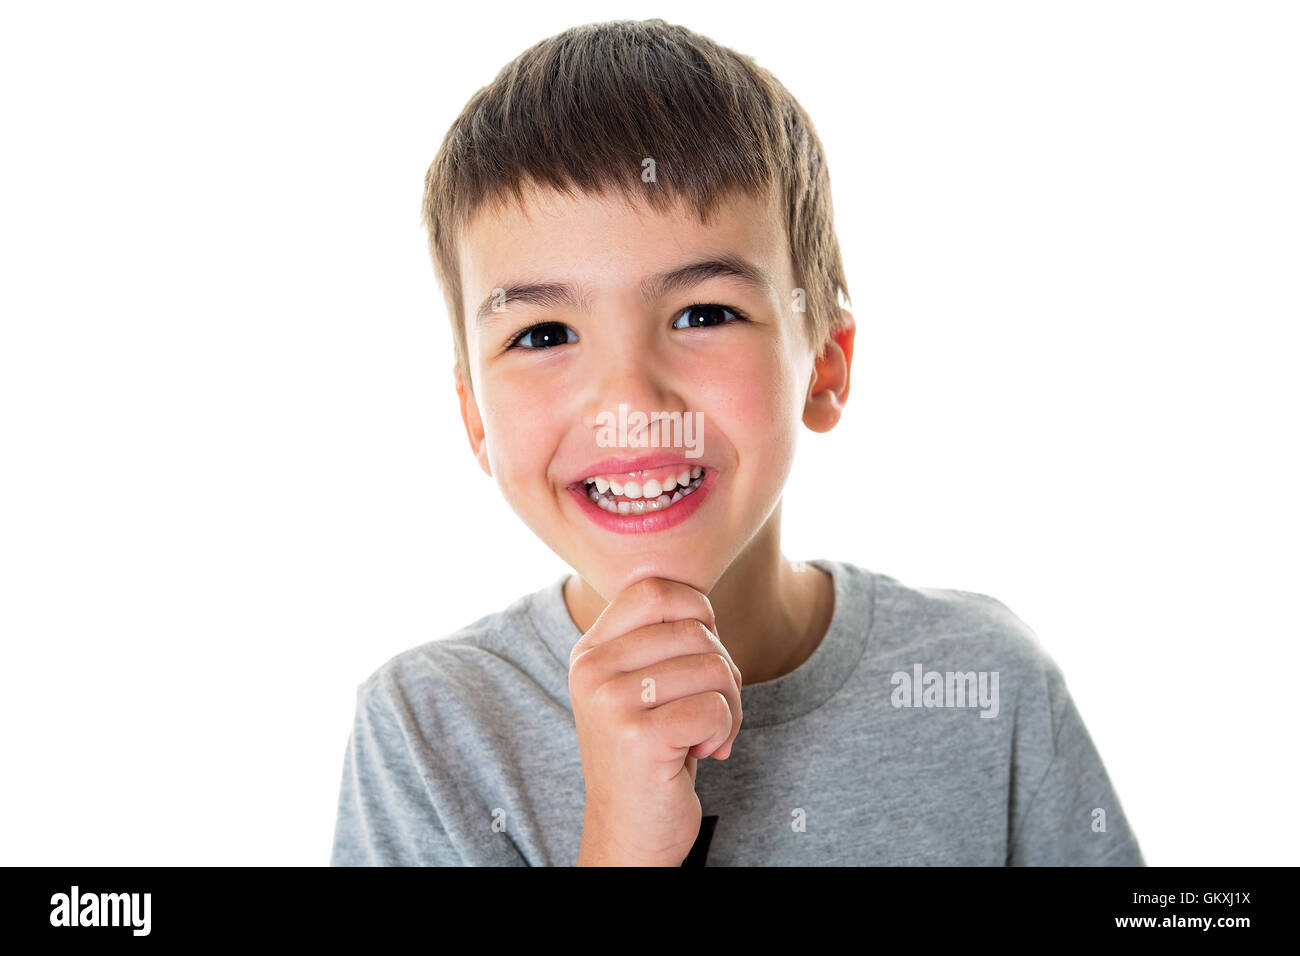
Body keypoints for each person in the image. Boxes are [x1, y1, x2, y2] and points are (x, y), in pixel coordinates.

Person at [329, 18, 1144, 866]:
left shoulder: (985, 686)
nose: (631, 404)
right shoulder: (427, 729)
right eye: (542, 335)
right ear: (475, 420)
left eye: (704, 314)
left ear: (824, 366)